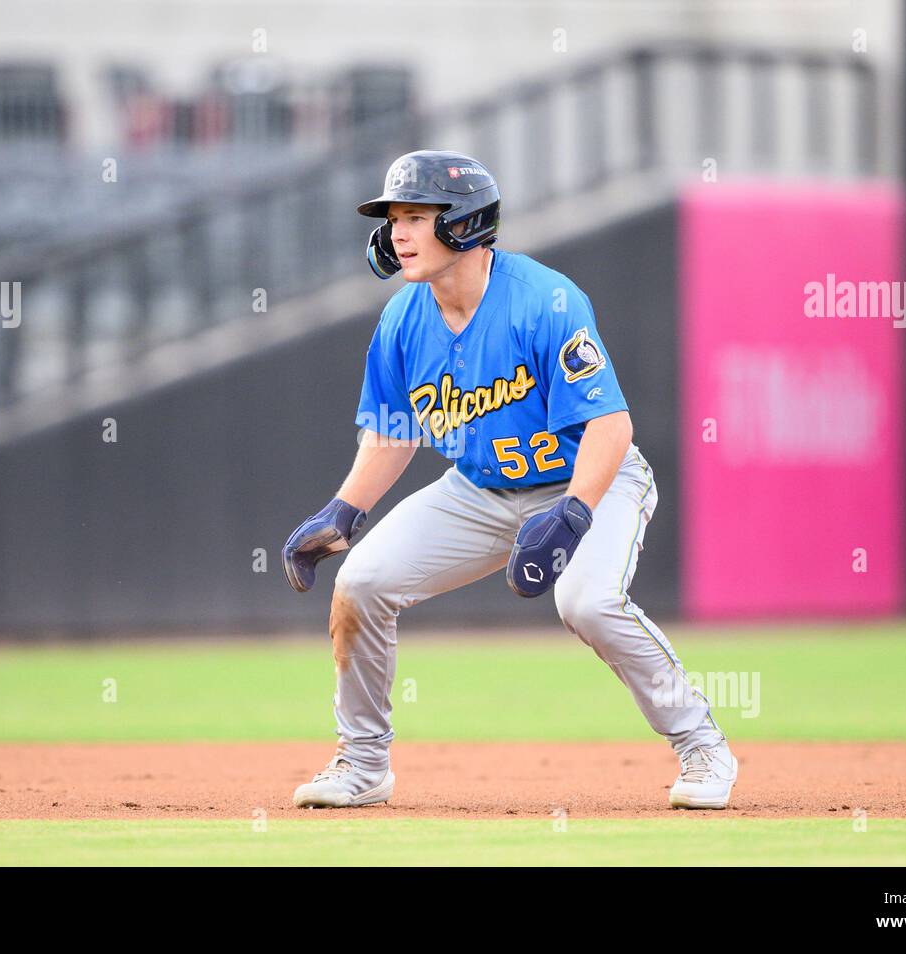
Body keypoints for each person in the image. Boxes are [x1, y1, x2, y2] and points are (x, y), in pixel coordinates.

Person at [281, 150, 736, 811]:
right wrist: (342, 512)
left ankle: (702, 747)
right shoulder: (403, 319)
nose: (397, 234)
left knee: (586, 602)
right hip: (477, 491)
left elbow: (611, 429)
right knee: (362, 584)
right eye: (393, 220)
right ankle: (362, 763)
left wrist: (575, 514)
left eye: (415, 217)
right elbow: (392, 431)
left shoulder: (543, 301)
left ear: (463, 224)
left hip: (590, 478)